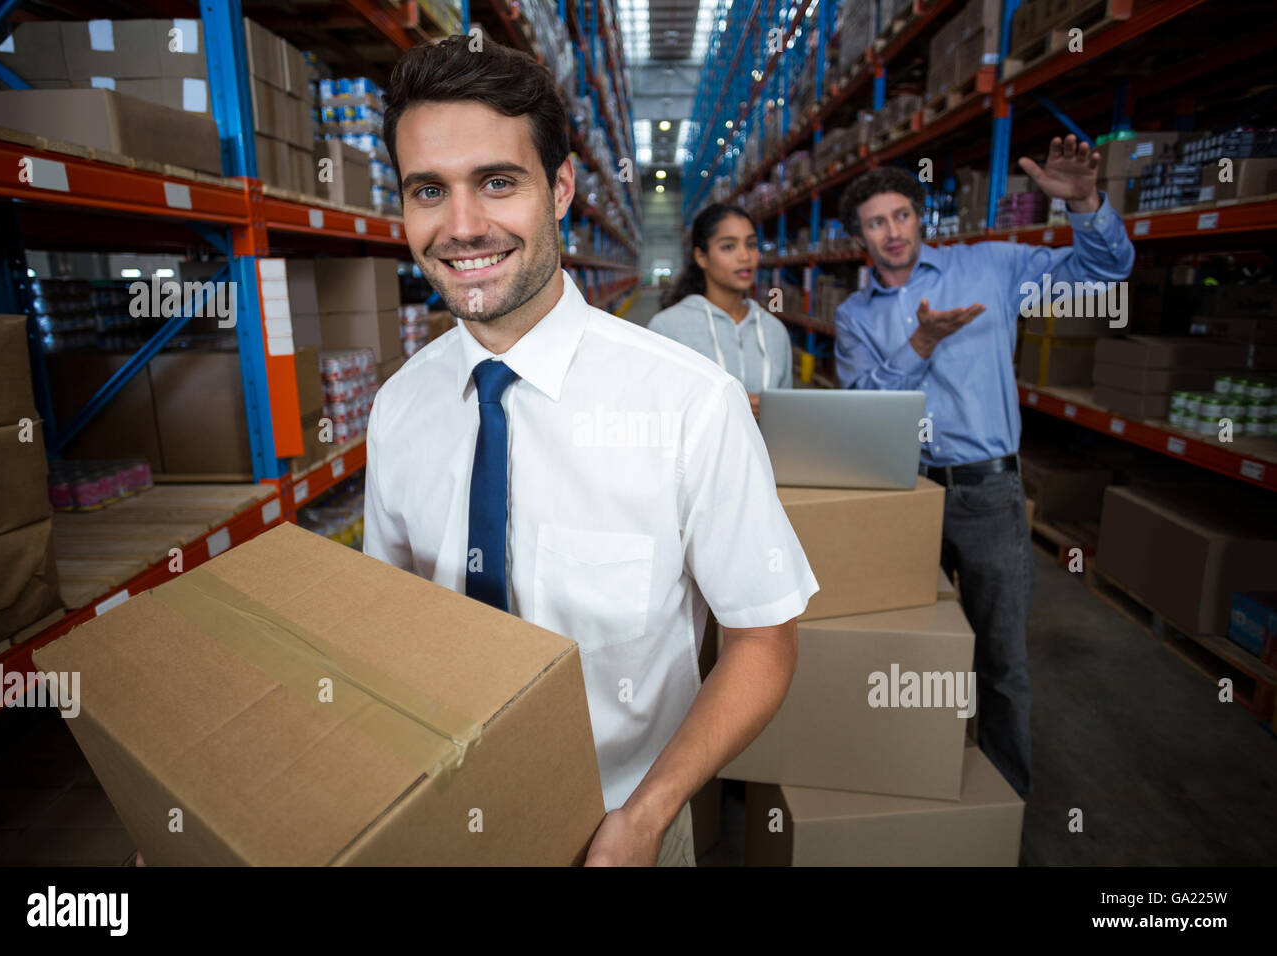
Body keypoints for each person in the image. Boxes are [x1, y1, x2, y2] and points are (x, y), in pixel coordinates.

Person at [362, 36, 819, 866]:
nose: (462, 228)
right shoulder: (397, 409)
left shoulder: (690, 405)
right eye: (429, 190)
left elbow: (763, 640)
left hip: (617, 830)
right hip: (432, 822)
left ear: (562, 187)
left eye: (497, 182)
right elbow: (384, 625)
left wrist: (646, 817)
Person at [833, 142, 1135, 796]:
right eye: (876, 223)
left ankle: (1002, 806)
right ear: (858, 236)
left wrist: (1083, 203)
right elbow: (863, 414)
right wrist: (921, 343)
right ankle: (911, 776)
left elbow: (1102, 274)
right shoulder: (854, 316)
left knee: (1001, 660)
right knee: (903, 644)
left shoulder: (991, 265)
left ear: (921, 218)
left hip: (989, 491)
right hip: (905, 493)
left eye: (902, 216)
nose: (893, 232)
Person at [648, 203, 794, 420]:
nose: (745, 256)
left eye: (752, 245)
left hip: (766, 453)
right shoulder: (667, 328)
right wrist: (726, 407)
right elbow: (653, 412)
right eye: (728, 247)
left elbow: (789, 414)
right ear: (701, 257)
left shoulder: (774, 330)